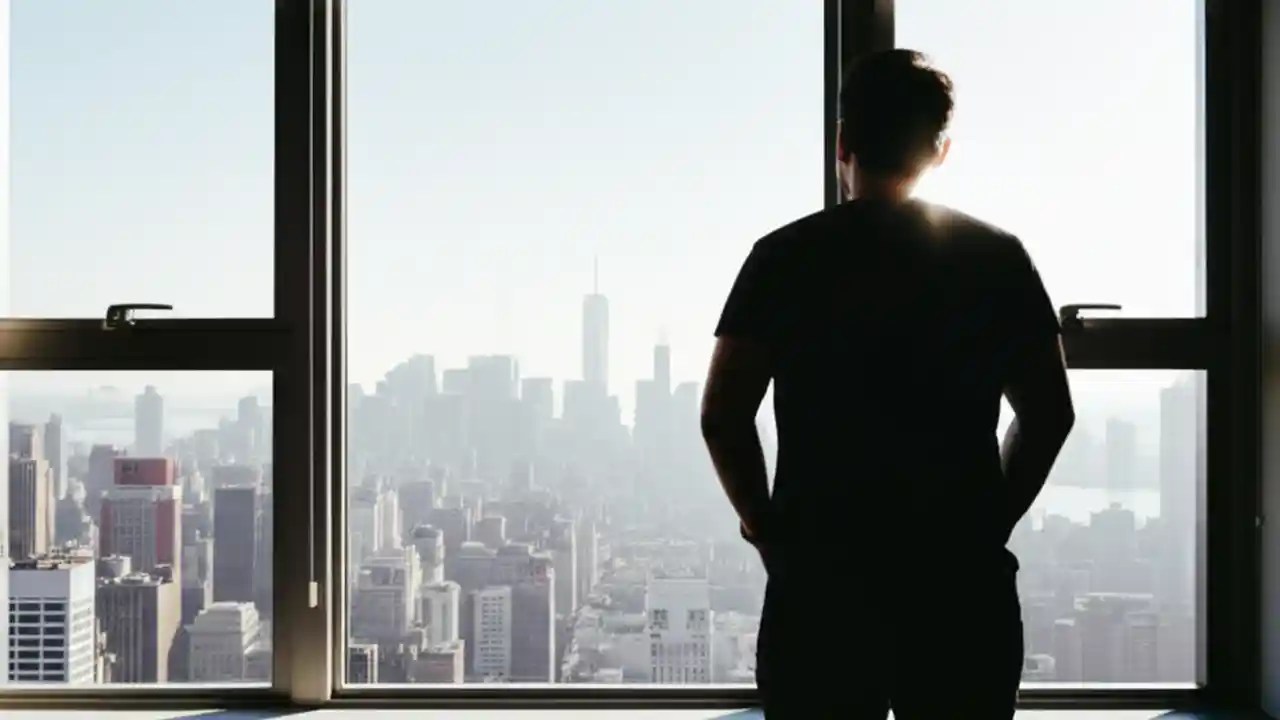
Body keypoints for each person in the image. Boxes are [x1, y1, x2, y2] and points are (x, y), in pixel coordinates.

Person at [701, 49, 1075, 718]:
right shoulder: (996, 258)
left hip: (822, 584)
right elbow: (1050, 414)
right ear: (941, 152)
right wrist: (990, 522)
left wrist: (768, 530)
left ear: (841, 142)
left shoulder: (783, 258)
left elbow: (723, 416)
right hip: (959, 587)